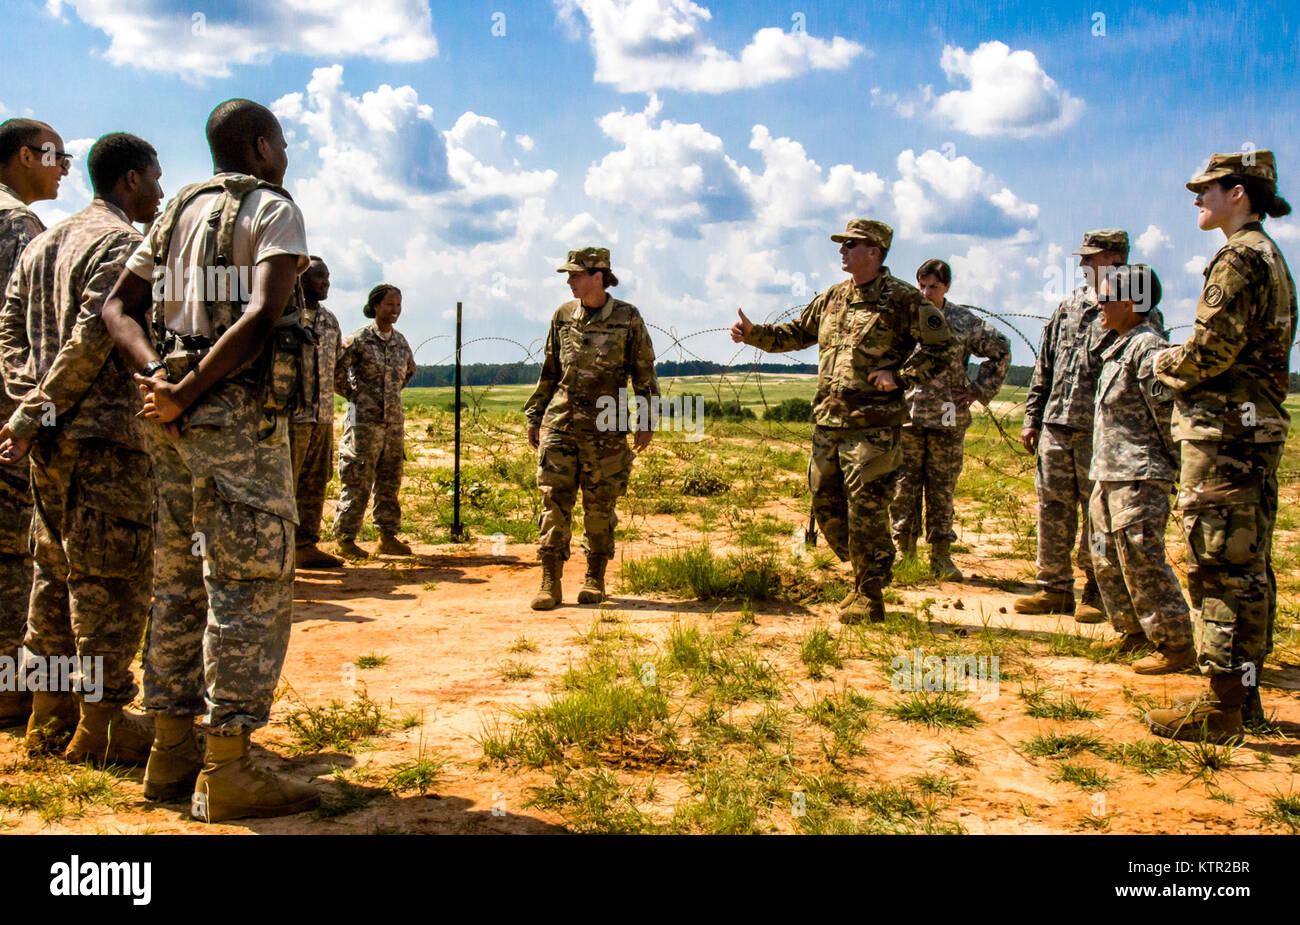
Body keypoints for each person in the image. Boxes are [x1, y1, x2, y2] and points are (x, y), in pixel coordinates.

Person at [102, 98, 319, 820]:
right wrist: (190, 387)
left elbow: (117, 307)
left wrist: (156, 380)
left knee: (177, 579)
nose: (285, 156)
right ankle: (228, 768)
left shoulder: (174, 213)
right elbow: (261, 317)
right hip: (235, 421)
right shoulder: (272, 210)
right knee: (247, 585)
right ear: (260, 147)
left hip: (169, 423)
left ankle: (169, 753)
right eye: (281, 143)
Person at [0, 133, 163, 760]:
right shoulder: (121, 242)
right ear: (128, 179)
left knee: (51, 574)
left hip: (48, 443)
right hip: (105, 440)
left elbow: (9, 334)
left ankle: (47, 715)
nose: (158, 190)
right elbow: (93, 336)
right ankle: (101, 725)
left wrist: (29, 407)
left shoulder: (40, 241)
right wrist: (43, 405)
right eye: (154, 176)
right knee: (108, 583)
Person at [731, 219, 955, 623]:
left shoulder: (904, 300)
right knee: (826, 504)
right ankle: (872, 568)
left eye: (850, 244)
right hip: (828, 422)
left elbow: (943, 347)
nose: (842, 251)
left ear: (875, 251)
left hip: (874, 425)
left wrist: (900, 376)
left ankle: (869, 593)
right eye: (842, 244)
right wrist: (753, 334)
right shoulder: (833, 297)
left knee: (867, 510)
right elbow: (797, 332)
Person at [1144, 150, 1295, 742]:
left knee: (1218, 567)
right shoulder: (1271, 258)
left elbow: (1209, 352)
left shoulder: (1238, 258)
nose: (1197, 200)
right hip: (1253, 431)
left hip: (1224, 433)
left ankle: (1220, 706)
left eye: (1208, 189)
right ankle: (1244, 694)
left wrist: (1163, 363)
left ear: (1240, 192)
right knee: (1249, 565)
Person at [524, 246, 658, 609]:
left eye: (575, 275)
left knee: (599, 506)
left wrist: (646, 420)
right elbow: (550, 370)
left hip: (607, 425)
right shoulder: (563, 316)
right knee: (554, 500)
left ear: (597, 277)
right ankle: (550, 581)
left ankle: (594, 579)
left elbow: (643, 371)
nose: (569, 281)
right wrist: (536, 415)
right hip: (561, 421)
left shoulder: (628, 318)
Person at [1017, 229, 1132, 622]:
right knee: (1052, 508)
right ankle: (1053, 588)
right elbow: (1044, 365)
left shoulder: (1135, 307)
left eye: (1090, 258)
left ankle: (1096, 590)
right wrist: (1033, 418)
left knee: (1098, 515)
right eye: (1082, 258)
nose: (1082, 265)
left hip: (1101, 430)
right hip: (1056, 425)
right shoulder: (1068, 306)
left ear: (1116, 259)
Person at [1087, 264, 1195, 674]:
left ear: (1132, 303)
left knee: (1140, 557)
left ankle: (1174, 644)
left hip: (1139, 474)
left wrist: (1176, 473)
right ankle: (1134, 632)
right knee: (1106, 556)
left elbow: (1168, 416)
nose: (1099, 303)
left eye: (1108, 297)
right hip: (1110, 474)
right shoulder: (1118, 347)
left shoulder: (1147, 351)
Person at [0, 117, 67, 728]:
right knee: (13, 550)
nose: (63, 167)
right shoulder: (19, 225)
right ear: (26, 155)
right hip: (8, 415)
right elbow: (31, 329)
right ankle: (10, 687)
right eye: (55, 155)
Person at [893, 258, 1009, 580]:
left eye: (934, 286)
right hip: (910, 414)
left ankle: (941, 555)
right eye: (922, 286)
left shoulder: (962, 321)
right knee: (905, 485)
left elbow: (1000, 349)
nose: (927, 293)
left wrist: (978, 390)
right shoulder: (907, 319)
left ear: (946, 287)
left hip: (947, 414)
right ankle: (904, 551)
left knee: (942, 487)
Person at [333, 283, 416, 559]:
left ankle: (387, 537)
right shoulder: (357, 339)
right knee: (357, 479)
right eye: (389, 305)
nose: (395, 311)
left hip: (392, 424)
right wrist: (355, 396)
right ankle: (345, 539)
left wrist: (389, 397)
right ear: (376, 306)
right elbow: (336, 370)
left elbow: (408, 372)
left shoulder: (400, 341)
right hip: (363, 424)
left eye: (398, 305)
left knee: (390, 481)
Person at [290, 256, 343, 568]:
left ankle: (305, 544)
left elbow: (338, 365)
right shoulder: (286, 316)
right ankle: (283, 547)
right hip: (291, 417)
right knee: (288, 483)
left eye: (327, 277)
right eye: (319, 278)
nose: (325, 283)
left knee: (315, 481)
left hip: (322, 416)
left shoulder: (329, 320)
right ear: (301, 280)